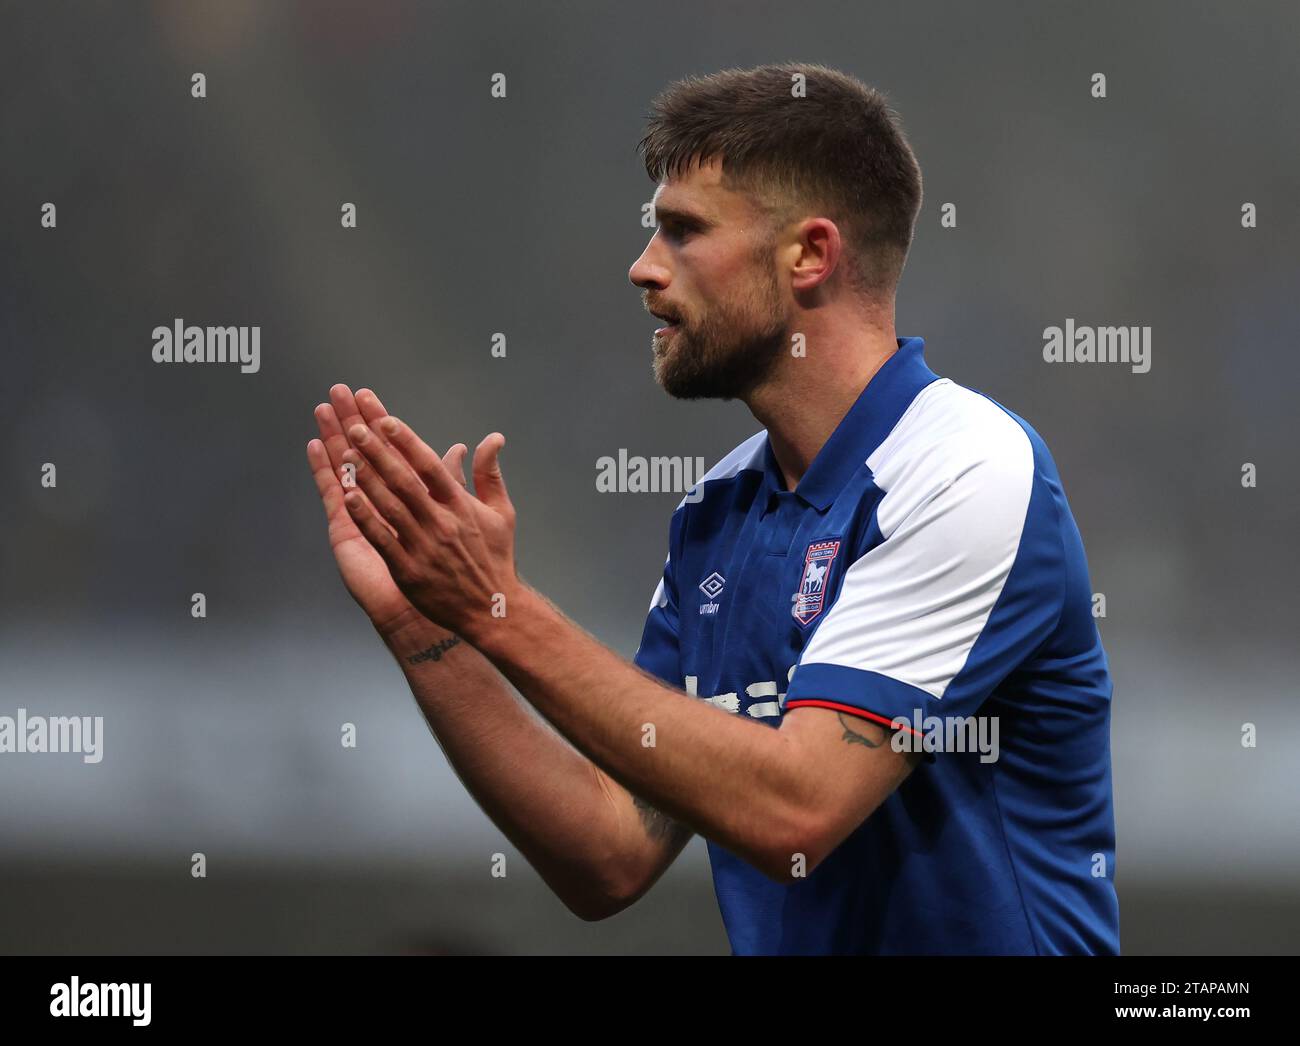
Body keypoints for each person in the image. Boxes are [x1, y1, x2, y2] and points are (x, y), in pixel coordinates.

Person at [305, 63, 1119, 955]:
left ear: (810, 254)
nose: (643, 269)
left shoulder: (966, 470)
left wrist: (497, 605)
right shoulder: (717, 513)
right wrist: (432, 631)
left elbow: (797, 810)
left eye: (682, 232)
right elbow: (608, 852)